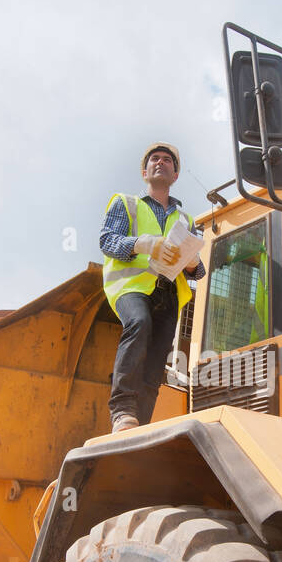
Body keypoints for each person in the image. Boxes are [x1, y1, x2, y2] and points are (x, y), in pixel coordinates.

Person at [98, 143, 205, 432]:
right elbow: (108, 242)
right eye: (155, 159)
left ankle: (137, 425)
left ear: (176, 174)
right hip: (132, 287)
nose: (161, 162)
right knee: (139, 323)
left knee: (156, 358)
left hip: (168, 293)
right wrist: (143, 243)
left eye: (168, 160)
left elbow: (199, 272)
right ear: (145, 172)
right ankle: (122, 411)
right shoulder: (126, 203)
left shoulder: (187, 221)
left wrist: (191, 262)